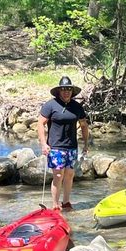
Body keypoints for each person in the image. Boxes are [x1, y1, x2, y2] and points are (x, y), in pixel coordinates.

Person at [37, 75, 89, 210]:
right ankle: (55, 204)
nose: (66, 92)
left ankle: (66, 202)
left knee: (70, 174)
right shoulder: (50, 105)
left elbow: (84, 125)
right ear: (59, 91)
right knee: (58, 174)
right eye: (64, 89)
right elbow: (40, 123)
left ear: (72, 91)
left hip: (71, 146)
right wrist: (43, 144)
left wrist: (86, 144)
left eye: (69, 89)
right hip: (55, 146)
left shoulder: (76, 107)